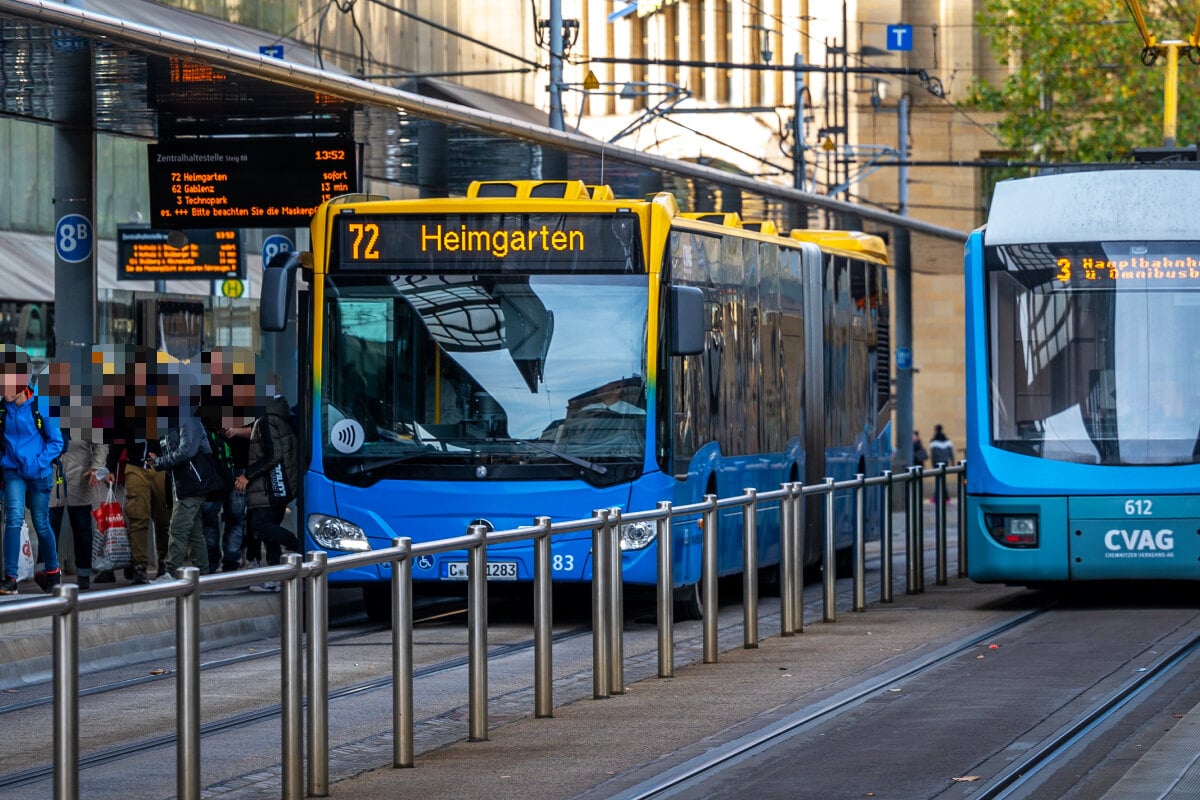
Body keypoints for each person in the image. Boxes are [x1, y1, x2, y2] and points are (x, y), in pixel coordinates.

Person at [0, 347, 65, 595]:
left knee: (41, 522)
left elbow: (56, 442)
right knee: (13, 519)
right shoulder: (2, 409)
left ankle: (53, 571)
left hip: (39, 472)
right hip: (13, 471)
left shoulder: (41, 405)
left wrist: (37, 464)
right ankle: (10, 577)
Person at [234, 388, 300, 593]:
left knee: (260, 526)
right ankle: (274, 577)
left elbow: (273, 455)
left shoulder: (266, 420)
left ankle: (296, 545)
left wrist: (247, 475)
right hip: (278, 487)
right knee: (268, 533)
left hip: (269, 488)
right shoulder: (280, 417)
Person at [49, 432, 107, 591]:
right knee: (50, 526)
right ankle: (49, 573)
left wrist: (96, 468)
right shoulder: (48, 417)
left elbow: (101, 444)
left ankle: (83, 573)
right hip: (52, 473)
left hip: (81, 475)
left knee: (82, 528)